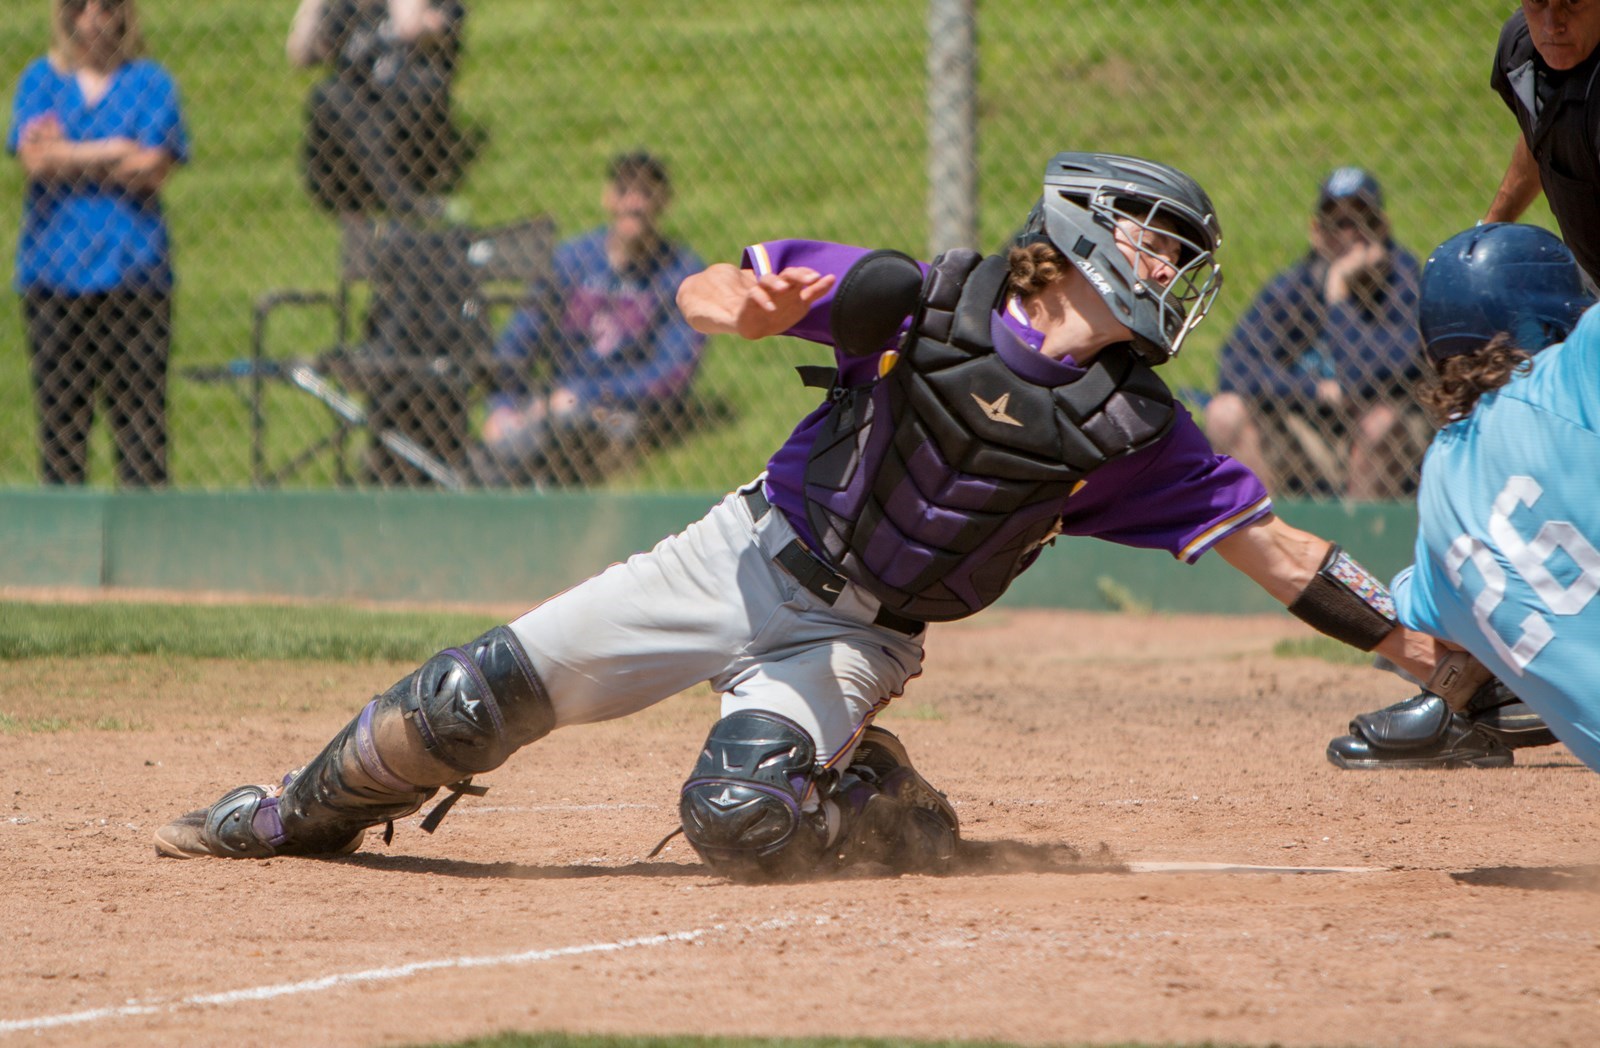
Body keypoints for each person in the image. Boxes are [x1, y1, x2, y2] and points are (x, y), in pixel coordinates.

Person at [151, 152, 1471, 882]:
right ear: (1084, 231)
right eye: (1164, 247)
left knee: (743, 820)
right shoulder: (922, 295)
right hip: (739, 557)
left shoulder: (1135, 432)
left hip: (856, 639)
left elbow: (1282, 552)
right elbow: (731, 285)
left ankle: (877, 809)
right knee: (460, 703)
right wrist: (738, 297)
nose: (1178, 279)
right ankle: (289, 812)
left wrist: (1416, 648)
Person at [1328, 224, 1600, 774]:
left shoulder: (1440, 470)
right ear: (1554, 322)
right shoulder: (1573, 372)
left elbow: (1409, 605)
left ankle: (1489, 695)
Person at [7, 0, 189, 487]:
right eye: (78, 6)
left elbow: (152, 169)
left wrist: (66, 154)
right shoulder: (42, 81)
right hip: (55, 277)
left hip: (133, 277)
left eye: (106, 6)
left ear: (124, 14)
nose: (92, 17)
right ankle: (68, 549)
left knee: (141, 429)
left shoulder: (151, 83)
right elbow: (35, 161)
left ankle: (149, 549)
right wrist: (114, 149)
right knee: (62, 429)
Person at [474, 151, 707, 486]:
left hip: (626, 409)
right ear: (607, 198)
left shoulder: (682, 274)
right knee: (535, 430)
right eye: (624, 191)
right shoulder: (573, 260)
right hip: (555, 403)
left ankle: (480, 476)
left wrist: (584, 394)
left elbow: (671, 374)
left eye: (646, 193)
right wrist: (503, 405)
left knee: (559, 428)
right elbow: (516, 343)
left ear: (664, 201)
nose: (634, 203)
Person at [1205, 167, 1426, 500]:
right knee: (1225, 413)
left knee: (1380, 422)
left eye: (1363, 222)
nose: (1351, 235)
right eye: (1339, 223)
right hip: (1309, 433)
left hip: (1389, 440)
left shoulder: (1406, 283)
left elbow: (1363, 376)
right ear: (1317, 232)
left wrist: (1339, 294)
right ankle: (1270, 539)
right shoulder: (1296, 286)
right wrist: (1316, 390)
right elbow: (1234, 368)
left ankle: (1365, 544)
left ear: (1383, 227)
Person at [290, 0, 469, 217]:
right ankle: (400, 199)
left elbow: (412, 29)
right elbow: (301, 55)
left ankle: (401, 200)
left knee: (418, 86)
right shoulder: (351, 7)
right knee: (328, 95)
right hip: (356, 109)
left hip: (406, 109)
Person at [1483, 0, 1600, 287]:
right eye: (1538, 2)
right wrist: (1490, 229)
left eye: (1572, 2)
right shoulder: (1521, 51)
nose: (1552, 24)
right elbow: (1545, 132)